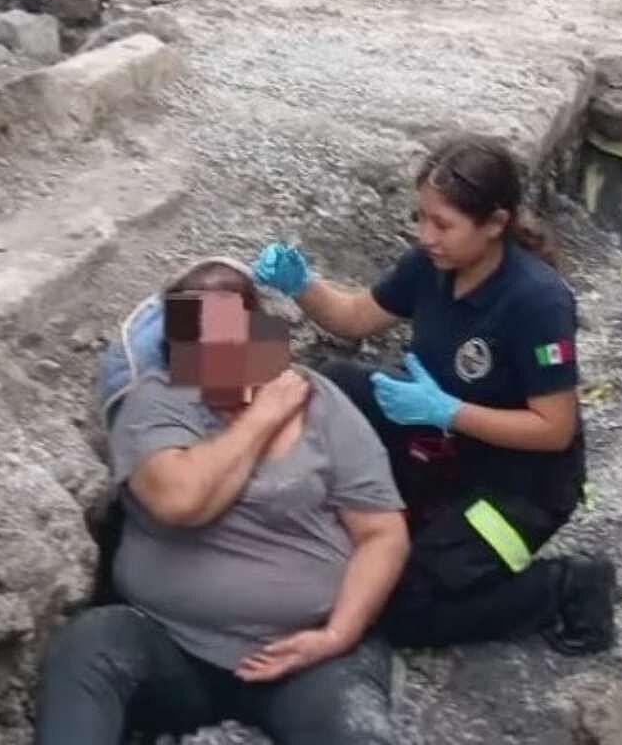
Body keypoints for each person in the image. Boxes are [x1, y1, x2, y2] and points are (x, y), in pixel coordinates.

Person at [253, 136, 618, 656]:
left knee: (403, 606)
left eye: (442, 224)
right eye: (421, 218)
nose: (426, 236)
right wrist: (302, 283)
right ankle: (380, 509)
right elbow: (355, 317)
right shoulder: (433, 265)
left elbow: (553, 430)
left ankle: (564, 588)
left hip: (520, 486)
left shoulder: (537, 301)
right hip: (447, 446)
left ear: (494, 224)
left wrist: (448, 410)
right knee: (335, 382)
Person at [37, 259, 410, 745]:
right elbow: (182, 500)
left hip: (306, 655)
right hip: (175, 648)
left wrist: (336, 635)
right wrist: (262, 419)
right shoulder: (155, 403)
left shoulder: (318, 401)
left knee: (355, 729)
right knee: (89, 645)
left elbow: (382, 533)